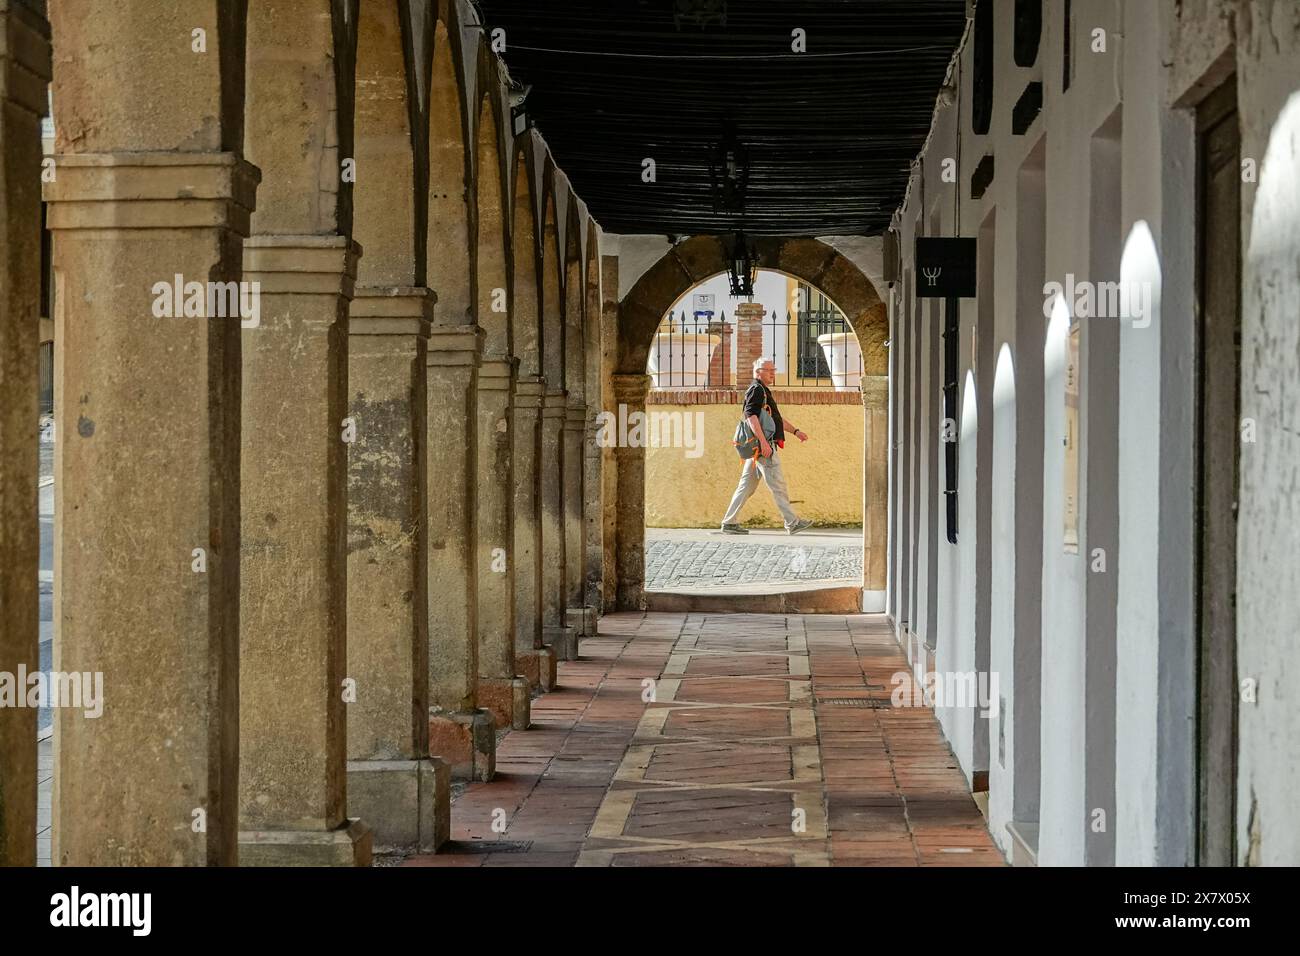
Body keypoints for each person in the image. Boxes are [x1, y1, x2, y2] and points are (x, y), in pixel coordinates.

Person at [720, 357, 814, 535]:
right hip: (763, 448)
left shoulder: (763, 391)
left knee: (745, 486)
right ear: (758, 372)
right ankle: (792, 522)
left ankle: (729, 522)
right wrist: (764, 442)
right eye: (769, 370)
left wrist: (795, 431)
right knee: (778, 485)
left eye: (773, 369)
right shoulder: (757, 390)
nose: (773, 373)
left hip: (758, 449)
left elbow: (775, 419)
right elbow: (751, 416)